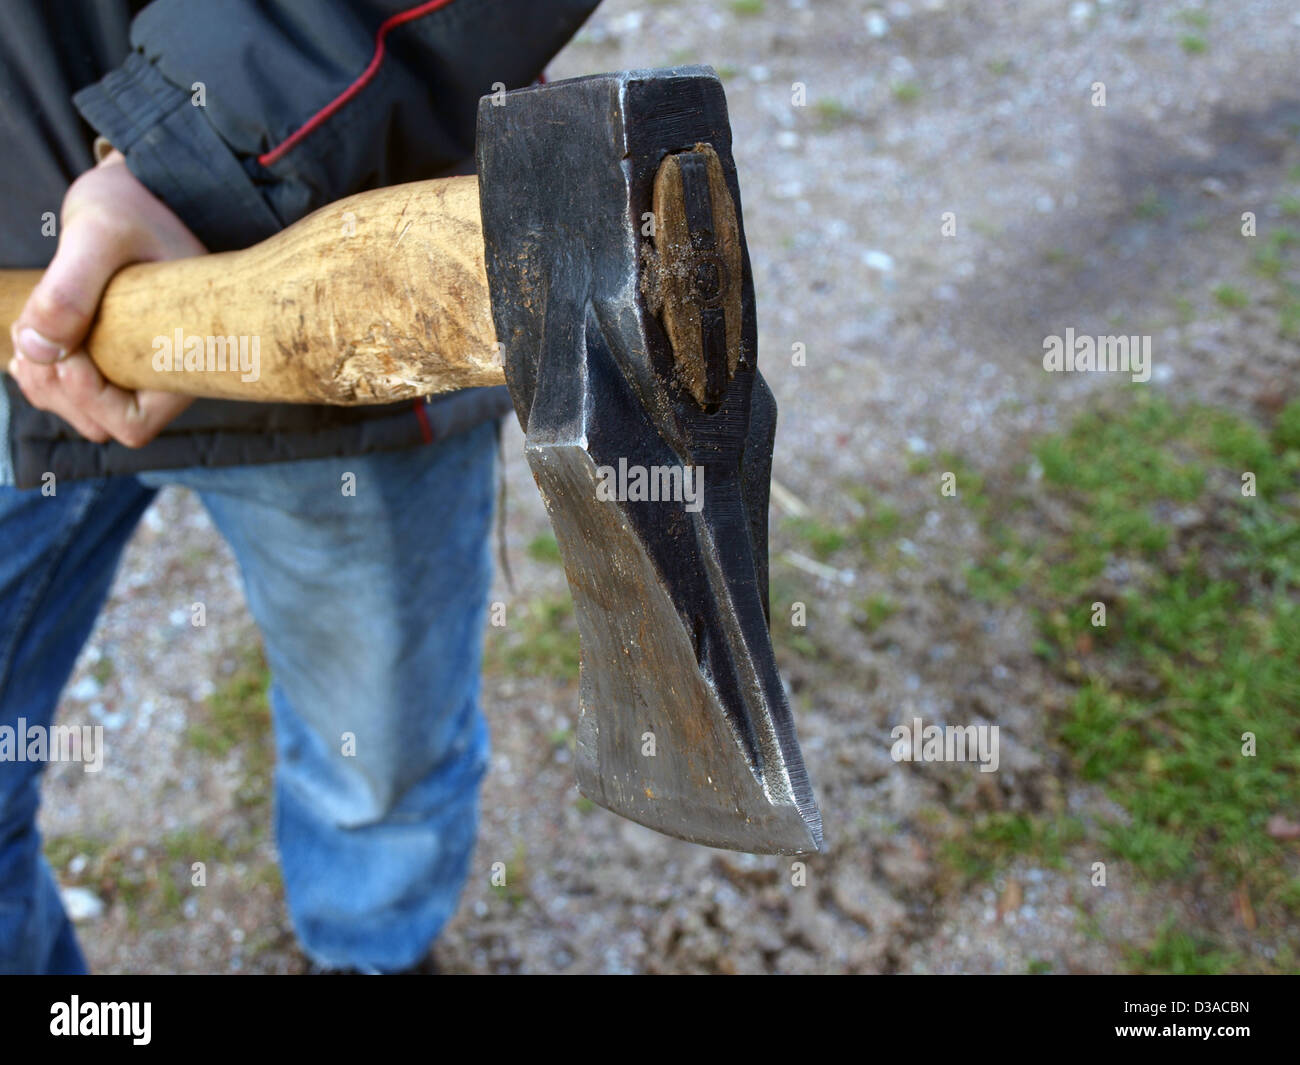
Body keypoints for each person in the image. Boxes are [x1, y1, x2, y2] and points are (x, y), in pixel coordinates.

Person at [0, 0, 599, 974]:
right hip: (15, 314)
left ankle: (375, 953)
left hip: (338, 262)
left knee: (376, 772)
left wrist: (193, 153)